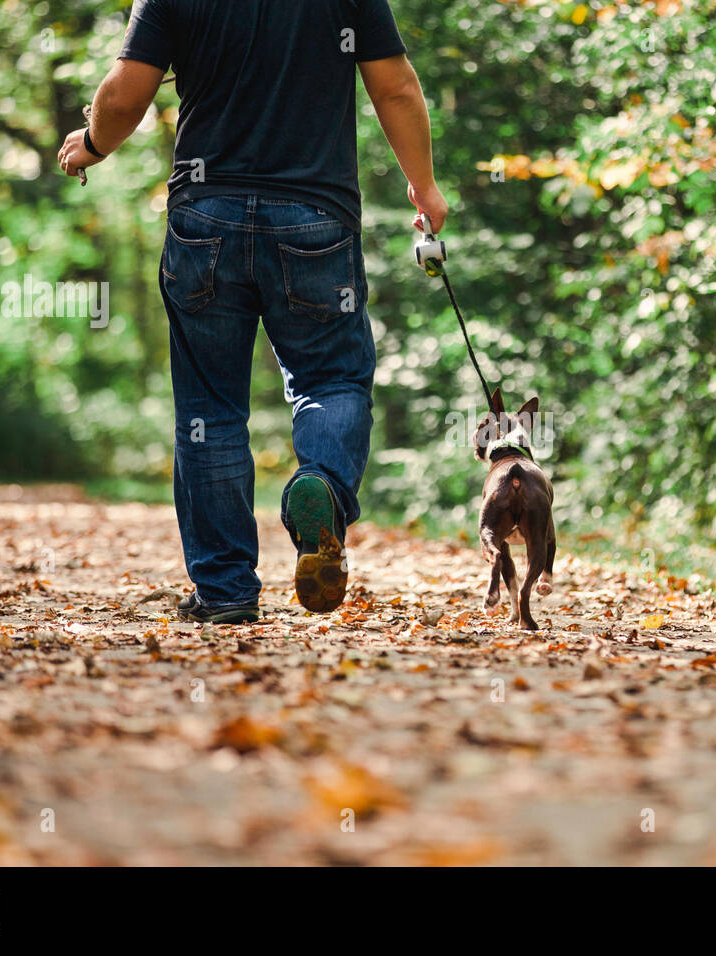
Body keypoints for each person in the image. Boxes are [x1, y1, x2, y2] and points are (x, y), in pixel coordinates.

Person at [57, 0, 447, 623]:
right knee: (333, 379)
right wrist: (424, 187)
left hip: (203, 220)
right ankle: (320, 480)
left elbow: (127, 94)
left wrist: (93, 144)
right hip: (316, 218)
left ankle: (226, 591)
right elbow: (394, 87)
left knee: (211, 409)